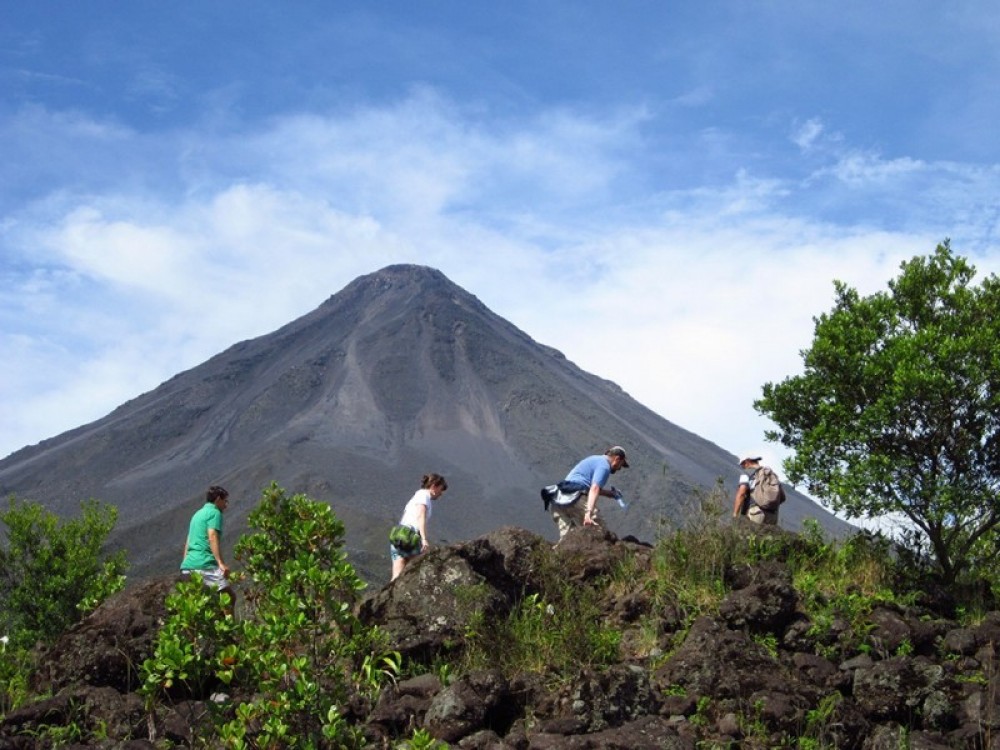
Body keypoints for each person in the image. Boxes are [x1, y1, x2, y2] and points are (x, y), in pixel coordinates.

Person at [551, 446, 630, 539]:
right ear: (617, 459)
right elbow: (594, 488)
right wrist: (588, 513)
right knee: (600, 532)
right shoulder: (604, 466)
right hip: (575, 498)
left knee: (568, 538)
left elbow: (585, 486)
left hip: (558, 499)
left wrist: (610, 494)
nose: (619, 468)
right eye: (621, 465)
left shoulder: (594, 460)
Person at [180, 485, 235, 610]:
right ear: (218, 499)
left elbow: (188, 540)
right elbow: (212, 535)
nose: (226, 505)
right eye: (225, 501)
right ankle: (229, 623)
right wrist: (220, 563)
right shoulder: (215, 513)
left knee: (198, 604)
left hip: (189, 566)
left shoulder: (197, 514)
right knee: (229, 598)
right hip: (205, 564)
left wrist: (185, 562)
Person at [391, 473, 448, 580]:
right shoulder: (424, 496)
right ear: (433, 486)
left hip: (398, 533)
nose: (441, 493)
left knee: (397, 574)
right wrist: (424, 539)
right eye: (441, 489)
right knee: (419, 568)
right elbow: (420, 516)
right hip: (409, 534)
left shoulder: (416, 496)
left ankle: (390, 590)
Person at [732, 455, 778, 526]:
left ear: (748, 461)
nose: (742, 466)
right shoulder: (770, 475)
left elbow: (741, 493)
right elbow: (782, 497)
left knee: (749, 533)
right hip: (772, 516)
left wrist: (735, 514)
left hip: (755, 513)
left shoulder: (747, 474)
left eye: (743, 464)